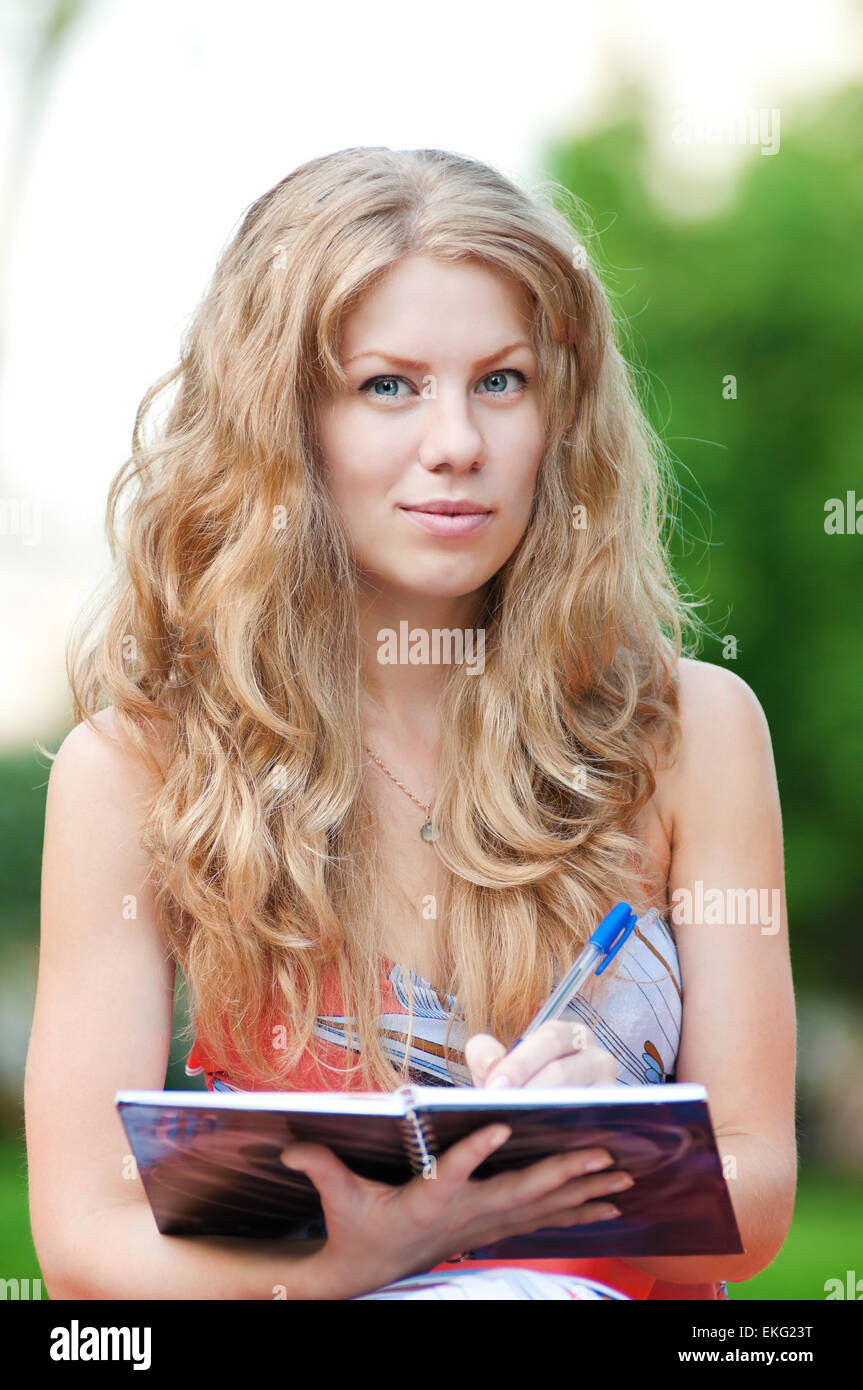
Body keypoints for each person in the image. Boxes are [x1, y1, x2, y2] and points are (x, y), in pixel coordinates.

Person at [25, 146, 796, 1301]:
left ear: (559, 412)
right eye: (388, 385)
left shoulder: (691, 727)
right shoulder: (135, 767)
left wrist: (608, 1156)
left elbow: (756, 1203)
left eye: (502, 381)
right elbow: (81, 1235)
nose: (457, 443)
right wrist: (347, 1262)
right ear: (286, 423)